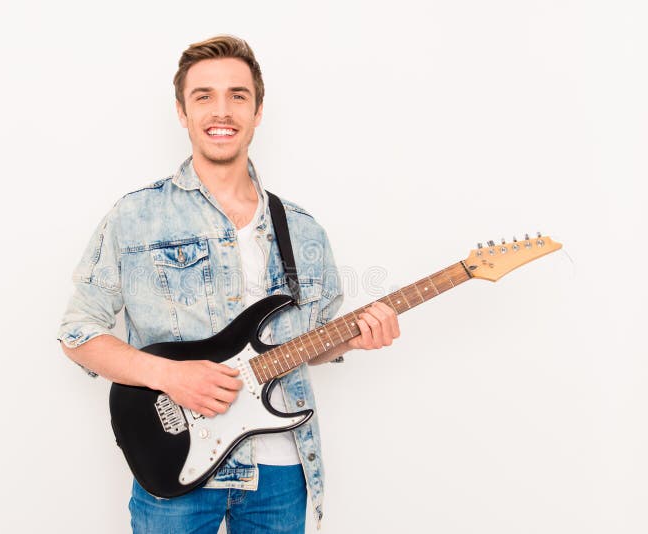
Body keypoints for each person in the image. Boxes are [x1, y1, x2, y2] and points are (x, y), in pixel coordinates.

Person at [57, 35, 400, 533]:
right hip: (176, 471)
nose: (223, 111)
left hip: (281, 473)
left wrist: (356, 336)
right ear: (182, 111)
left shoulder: (301, 228)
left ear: (258, 111)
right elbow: (77, 333)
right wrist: (167, 376)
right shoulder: (136, 217)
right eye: (204, 96)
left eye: (238, 95)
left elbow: (312, 340)